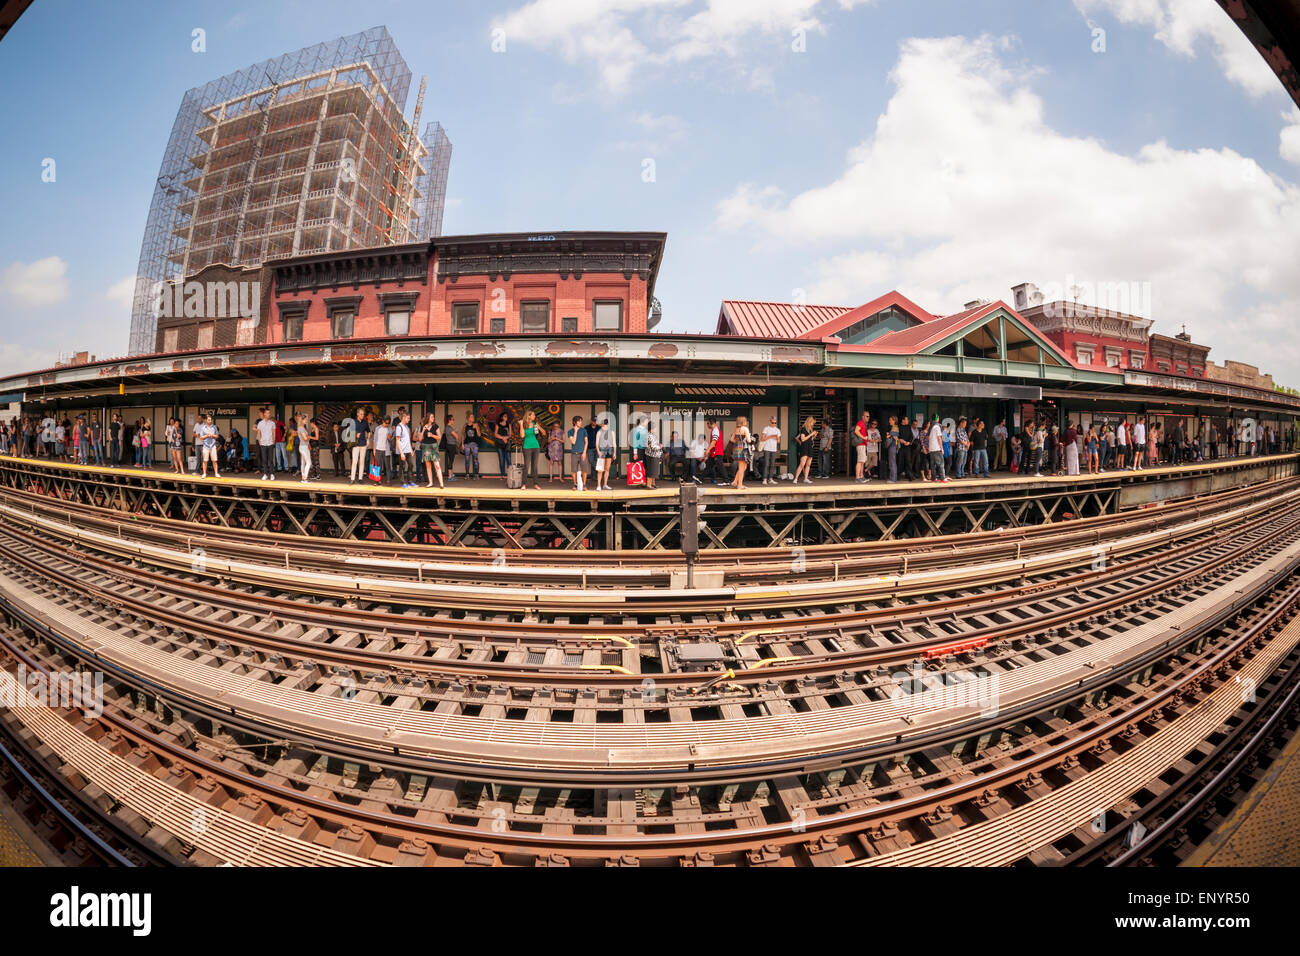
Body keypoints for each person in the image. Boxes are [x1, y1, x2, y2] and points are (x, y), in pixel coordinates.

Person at [519, 409, 544, 490]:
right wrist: (521, 425)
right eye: (533, 415)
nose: (534, 416)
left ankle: (536, 484)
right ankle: (523, 484)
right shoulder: (524, 424)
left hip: (536, 446)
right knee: (526, 466)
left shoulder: (535, 424)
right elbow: (522, 436)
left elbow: (543, 433)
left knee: (535, 466)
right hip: (527, 447)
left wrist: (538, 427)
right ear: (529, 416)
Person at [419, 413, 444, 488]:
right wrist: (423, 431)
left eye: (433, 417)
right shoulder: (423, 426)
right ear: (428, 418)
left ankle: (441, 483)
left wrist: (432, 435)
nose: (433, 418)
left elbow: (440, 437)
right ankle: (430, 483)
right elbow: (420, 439)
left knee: (437, 465)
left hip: (433, 446)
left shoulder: (435, 426)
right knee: (428, 465)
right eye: (432, 417)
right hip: (425, 446)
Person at [730, 416, 753, 489]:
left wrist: (738, 442)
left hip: (737, 448)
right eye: (745, 421)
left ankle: (735, 482)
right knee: (742, 468)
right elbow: (749, 440)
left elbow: (731, 440)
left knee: (743, 467)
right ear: (743, 422)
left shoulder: (736, 429)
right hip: (743, 449)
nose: (746, 422)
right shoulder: (745, 429)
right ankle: (739, 485)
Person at [567, 416, 589, 492]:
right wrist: (576, 431)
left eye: (581, 421)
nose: (580, 423)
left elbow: (586, 442)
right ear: (574, 422)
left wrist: (584, 452)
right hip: (574, 453)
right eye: (579, 421)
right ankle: (575, 484)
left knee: (584, 470)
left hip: (583, 453)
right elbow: (573, 442)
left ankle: (584, 485)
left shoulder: (584, 431)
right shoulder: (570, 431)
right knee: (574, 470)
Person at [254, 407, 277, 480]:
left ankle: (272, 474)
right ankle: (265, 474)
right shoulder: (260, 423)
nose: (268, 414)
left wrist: (273, 441)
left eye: (269, 413)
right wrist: (260, 441)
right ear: (264, 414)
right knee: (264, 460)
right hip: (263, 443)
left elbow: (274, 433)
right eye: (267, 413)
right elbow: (258, 433)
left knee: (270, 459)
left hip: (270, 443)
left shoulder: (272, 423)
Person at [594, 417, 615, 492]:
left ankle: (605, 484)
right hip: (601, 450)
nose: (603, 426)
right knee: (600, 469)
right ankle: (598, 485)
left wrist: (614, 452)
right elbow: (596, 443)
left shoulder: (612, 432)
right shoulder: (599, 432)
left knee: (607, 469)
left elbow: (614, 443)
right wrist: (598, 451)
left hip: (609, 450)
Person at [195, 414, 219, 478]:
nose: (210, 421)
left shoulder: (214, 427)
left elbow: (217, 436)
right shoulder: (203, 428)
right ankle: (204, 473)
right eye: (208, 420)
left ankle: (216, 473)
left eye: (210, 420)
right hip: (205, 446)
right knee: (205, 461)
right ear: (206, 420)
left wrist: (212, 435)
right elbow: (201, 437)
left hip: (213, 445)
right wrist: (207, 435)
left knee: (214, 460)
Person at [759, 416, 781, 485]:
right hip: (767, 448)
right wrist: (770, 436)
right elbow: (762, 439)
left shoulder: (777, 430)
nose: (774, 424)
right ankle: (764, 479)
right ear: (770, 421)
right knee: (766, 464)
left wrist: (777, 438)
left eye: (775, 423)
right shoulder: (766, 428)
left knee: (772, 464)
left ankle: (770, 478)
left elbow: (778, 442)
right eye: (772, 422)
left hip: (774, 449)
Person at [927, 415, 949, 482]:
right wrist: (942, 448)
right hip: (936, 448)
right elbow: (939, 438)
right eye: (938, 417)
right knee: (941, 463)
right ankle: (943, 478)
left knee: (933, 464)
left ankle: (933, 478)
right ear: (937, 418)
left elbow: (928, 438)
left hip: (931, 448)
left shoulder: (931, 427)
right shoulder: (937, 427)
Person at [793, 416, 815, 484]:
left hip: (810, 447)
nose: (813, 424)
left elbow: (810, 440)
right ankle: (796, 478)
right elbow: (803, 439)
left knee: (808, 464)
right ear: (809, 422)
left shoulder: (810, 429)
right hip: (804, 447)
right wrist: (811, 434)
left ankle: (806, 478)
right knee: (802, 464)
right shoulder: (803, 429)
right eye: (812, 423)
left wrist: (814, 436)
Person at [373, 415, 391, 484]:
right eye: (386, 423)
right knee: (378, 466)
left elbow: (391, 440)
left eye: (388, 423)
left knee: (387, 466)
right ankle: (377, 480)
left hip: (386, 450)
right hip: (378, 449)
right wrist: (374, 450)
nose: (387, 424)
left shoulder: (389, 429)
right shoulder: (378, 428)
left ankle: (388, 480)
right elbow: (374, 440)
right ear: (383, 421)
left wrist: (389, 436)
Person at [442, 414, 460, 482]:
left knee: (450, 460)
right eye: (453, 419)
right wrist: (456, 432)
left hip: (448, 445)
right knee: (451, 461)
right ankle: (450, 476)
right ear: (449, 420)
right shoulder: (449, 428)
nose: (453, 420)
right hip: (451, 445)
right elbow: (456, 436)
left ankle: (451, 475)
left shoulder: (446, 427)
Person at [463, 412, 480, 478]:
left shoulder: (475, 425)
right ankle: (467, 474)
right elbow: (463, 435)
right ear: (468, 418)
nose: (473, 418)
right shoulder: (465, 425)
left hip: (474, 444)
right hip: (467, 444)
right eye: (472, 417)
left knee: (475, 459)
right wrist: (462, 444)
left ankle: (476, 474)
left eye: (473, 417)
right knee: (467, 459)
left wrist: (477, 427)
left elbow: (479, 435)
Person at [494, 413, 511, 479]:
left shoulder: (508, 425)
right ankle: (503, 475)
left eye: (507, 416)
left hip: (507, 444)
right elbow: (495, 434)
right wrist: (503, 438)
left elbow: (510, 434)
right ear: (502, 417)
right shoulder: (498, 425)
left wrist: (506, 438)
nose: (506, 417)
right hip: (499, 444)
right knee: (501, 459)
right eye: (505, 416)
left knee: (508, 459)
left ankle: (510, 474)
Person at [708, 420, 726, 484]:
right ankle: (700, 479)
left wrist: (707, 450)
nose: (707, 425)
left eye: (708, 423)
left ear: (711, 423)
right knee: (708, 466)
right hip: (714, 452)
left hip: (717, 452)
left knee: (720, 466)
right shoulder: (714, 430)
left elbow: (713, 442)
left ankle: (726, 480)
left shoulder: (715, 430)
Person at [851, 413, 868, 482]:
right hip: (861, 444)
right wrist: (863, 437)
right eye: (867, 416)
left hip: (863, 444)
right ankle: (858, 477)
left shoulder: (863, 423)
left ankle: (861, 476)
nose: (868, 418)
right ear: (863, 417)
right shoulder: (860, 422)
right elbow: (856, 431)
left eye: (868, 416)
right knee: (860, 461)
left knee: (862, 461)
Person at [885, 415, 900, 482]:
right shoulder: (894, 427)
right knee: (892, 462)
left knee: (892, 462)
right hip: (893, 445)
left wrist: (888, 434)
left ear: (894, 421)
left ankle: (893, 479)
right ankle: (892, 477)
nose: (889, 421)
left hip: (893, 445)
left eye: (890, 420)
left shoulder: (895, 427)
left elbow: (889, 435)